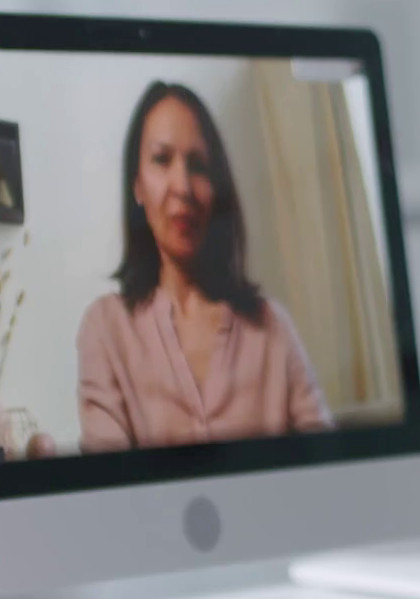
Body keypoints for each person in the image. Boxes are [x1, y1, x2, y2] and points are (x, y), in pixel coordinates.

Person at [77, 81, 332, 452]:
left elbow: (328, 473)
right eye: (162, 160)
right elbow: (112, 497)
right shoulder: (104, 329)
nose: (182, 185)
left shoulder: (271, 327)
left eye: (198, 166)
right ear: (138, 186)